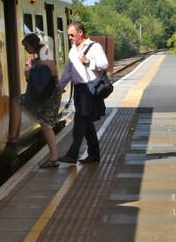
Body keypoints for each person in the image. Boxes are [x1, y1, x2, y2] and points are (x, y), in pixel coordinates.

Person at [58, 21, 110, 165]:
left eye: (72, 35)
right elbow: (68, 71)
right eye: (68, 35)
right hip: (79, 89)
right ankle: (94, 154)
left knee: (80, 121)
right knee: (86, 122)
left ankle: (73, 154)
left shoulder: (94, 47)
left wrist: (88, 62)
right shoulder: (73, 50)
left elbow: (105, 64)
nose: (70, 37)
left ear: (80, 32)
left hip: (89, 88)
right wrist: (60, 87)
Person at [20, 31, 62, 168]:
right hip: (49, 92)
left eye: (26, 47)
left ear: (31, 45)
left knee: (46, 125)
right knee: (45, 125)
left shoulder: (44, 52)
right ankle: (53, 157)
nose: (26, 50)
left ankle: (54, 158)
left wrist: (31, 73)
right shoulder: (43, 52)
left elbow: (53, 71)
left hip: (49, 94)